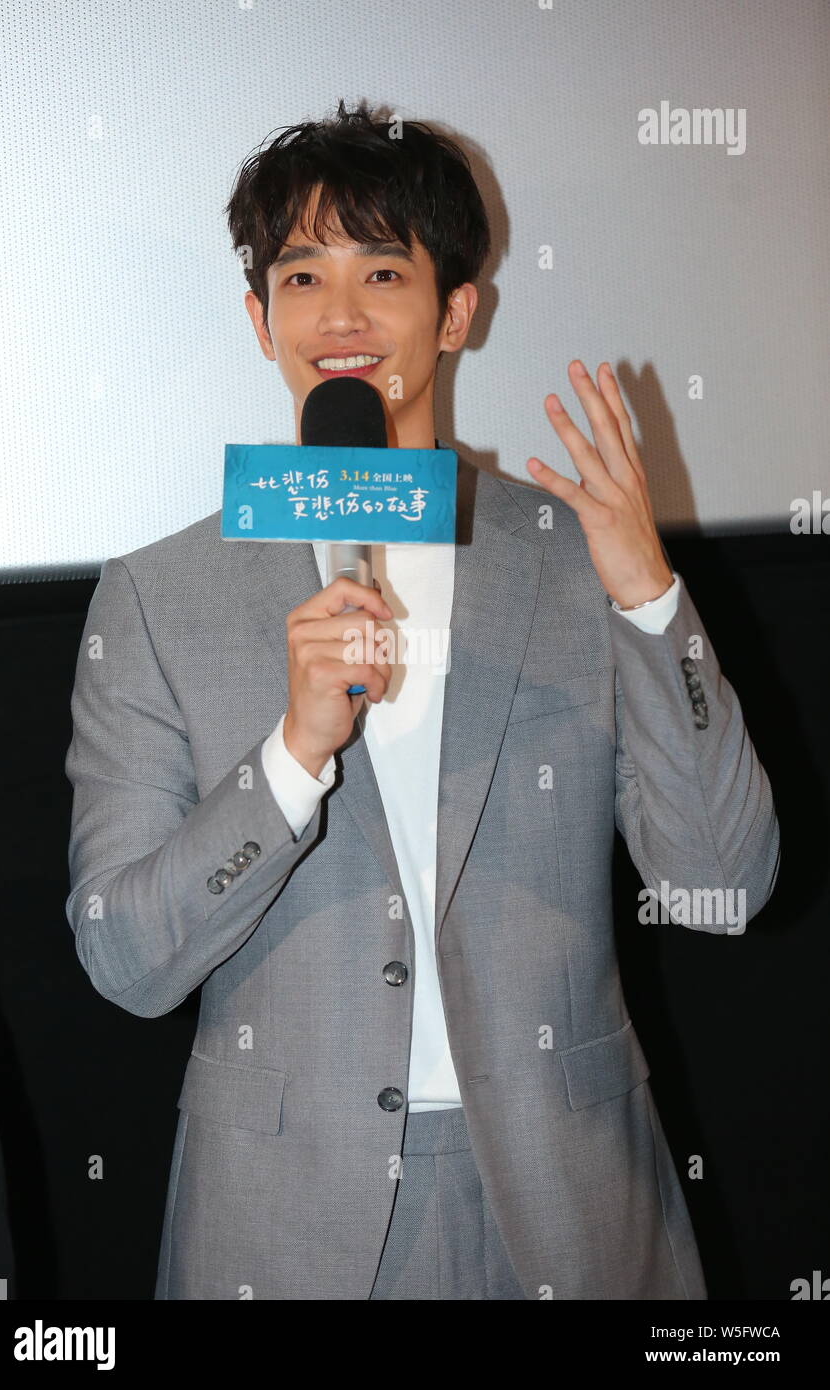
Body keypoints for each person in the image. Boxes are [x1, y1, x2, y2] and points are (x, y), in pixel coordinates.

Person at [64, 99, 780, 1300]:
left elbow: (722, 885)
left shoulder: (572, 555)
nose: (338, 319)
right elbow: (125, 959)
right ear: (259, 320)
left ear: (454, 310)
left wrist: (651, 598)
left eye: (381, 270)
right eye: (300, 278)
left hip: (571, 1210)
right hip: (282, 1226)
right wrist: (291, 754)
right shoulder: (158, 597)